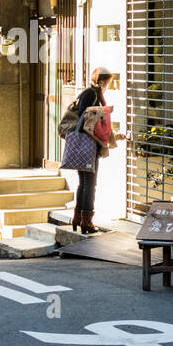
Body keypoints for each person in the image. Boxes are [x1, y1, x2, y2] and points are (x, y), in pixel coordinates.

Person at [71, 67, 113, 234]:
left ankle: (78, 218)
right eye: (108, 82)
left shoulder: (91, 93)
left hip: (83, 143)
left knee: (84, 183)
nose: (108, 85)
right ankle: (86, 222)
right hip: (87, 144)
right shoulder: (91, 94)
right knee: (90, 184)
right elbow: (86, 117)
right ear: (101, 81)